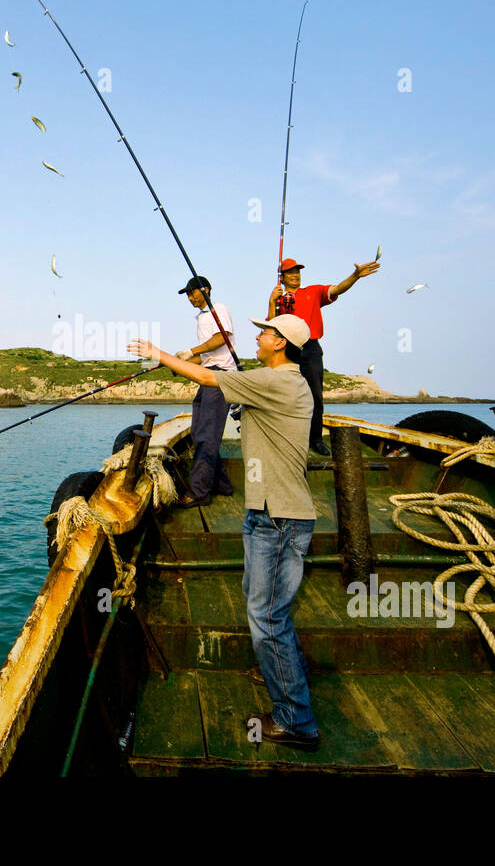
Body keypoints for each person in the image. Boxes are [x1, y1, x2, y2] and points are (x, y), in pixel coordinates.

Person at [129, 313, 320, 752]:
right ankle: (279, 672)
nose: (257, 336)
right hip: (275, 513)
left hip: (278, 517)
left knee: (267, 618)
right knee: (269, 612)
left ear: (282, 344)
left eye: (266, 333)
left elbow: (206, 376)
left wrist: (159, 355)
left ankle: (297, 722)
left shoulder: (279, 382)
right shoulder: (280, 382)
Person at [268, 256, 380, 456]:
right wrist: (272, 301)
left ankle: (315, 439)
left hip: (310, 348)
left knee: (315, 395)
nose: (295, 275)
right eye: (290, 272)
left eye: (297, 271)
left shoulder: (313, 291)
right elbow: (271, 326)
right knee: (286, 395)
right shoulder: (279, 299)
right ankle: (287, 437)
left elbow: (337, 289)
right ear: (282, 277)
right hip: (287, 348)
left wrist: (355, 276)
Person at [173, 276, 236, 508]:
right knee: (199, 431)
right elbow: (206, 356)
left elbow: (222, 338)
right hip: (208, 377)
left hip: (220, 378)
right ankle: (221, 483)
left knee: (206, 435)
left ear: (206, 290)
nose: (190, 298)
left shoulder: (218, 309)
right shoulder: (201, 317)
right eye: (187, 295)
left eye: (192, 293)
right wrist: (180, 363)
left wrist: (190, 351)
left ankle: (199, 492)